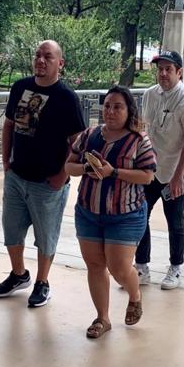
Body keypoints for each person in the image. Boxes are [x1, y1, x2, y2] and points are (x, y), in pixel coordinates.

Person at [0, 40, 87, 307]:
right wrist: (5, 162)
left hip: (48, 183)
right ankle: (18, 274)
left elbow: (76, 142)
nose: (41, 60)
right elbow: (9, 125)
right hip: (17, 175)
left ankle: (42, 282)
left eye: (48, 56)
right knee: (11, 230)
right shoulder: (21, 87)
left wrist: (62, 175)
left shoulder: (66, 97)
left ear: (60, 63)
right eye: (37, 55)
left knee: (46, 236)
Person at [65, 86, 155, 338]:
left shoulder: (138, 140)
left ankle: (134, 295)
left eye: (118, 107)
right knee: (94, 265)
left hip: (125, 215)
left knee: (118, 267)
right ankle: (102, 318)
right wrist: (86, 167)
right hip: (88, 212)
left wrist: (113, 172)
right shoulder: (89, 135)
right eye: (107, 106)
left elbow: (148, 176)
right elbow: (68, 167)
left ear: (129, 111)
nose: (111, 111)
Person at [135, 50, 184, 290]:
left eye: (168, 69)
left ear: (179, 72)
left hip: (177, 169)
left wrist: (178, 177)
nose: (163, 74)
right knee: (139, 215)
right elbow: (145, 128)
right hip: (151, 168)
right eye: (160, 69)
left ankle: (175, 268)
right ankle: (141, 266)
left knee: (174, 220)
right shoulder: (150, 95)